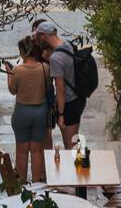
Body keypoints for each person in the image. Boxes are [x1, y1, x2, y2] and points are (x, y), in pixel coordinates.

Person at [5, 35, 50, 184]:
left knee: (22, 150)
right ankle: (37, 183)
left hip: (22, 112)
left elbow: (13, 90)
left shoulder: (17, 70)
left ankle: (22, 181)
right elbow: (49, 88)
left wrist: (8, 74)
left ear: (22, 53)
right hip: (40, 112)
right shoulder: (45, 68)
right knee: (36, 150)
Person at [33, 19, 84, 150]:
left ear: (44, 35)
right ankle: (76, 167)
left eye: (38, 37)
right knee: (74, 140)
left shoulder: (56, 58)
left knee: (69, 143)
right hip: (78, 98)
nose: (38, 41)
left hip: (68, 104)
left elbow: (60, 89)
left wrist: (60, 114)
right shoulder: (67, 45)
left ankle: (74, 170)